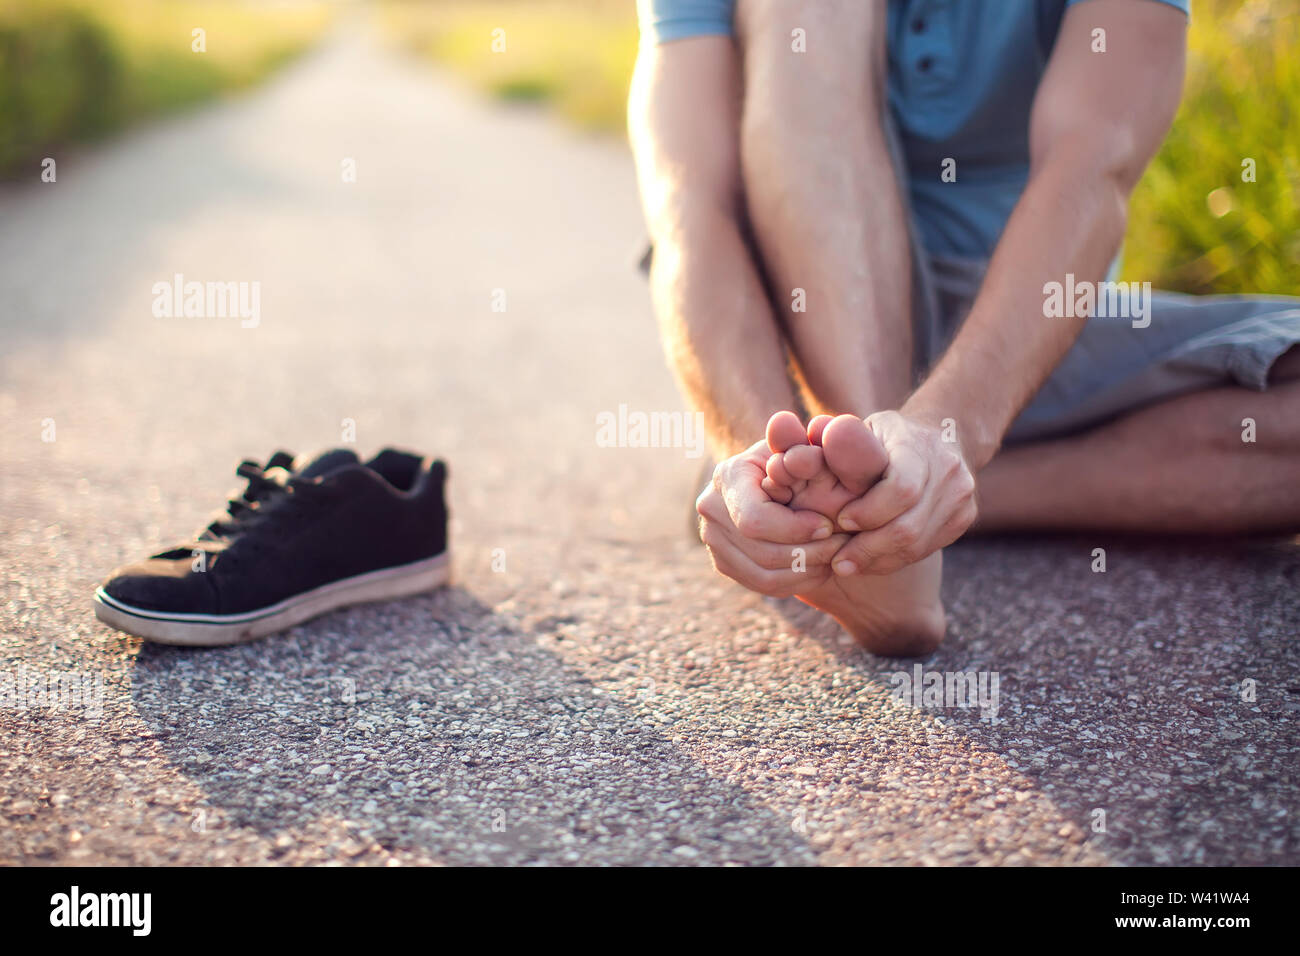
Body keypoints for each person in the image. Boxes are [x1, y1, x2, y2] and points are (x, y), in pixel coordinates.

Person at [628, 0, 1300, 655]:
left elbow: (1091, 172)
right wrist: (748, 440)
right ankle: (862, 497)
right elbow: (691, 212)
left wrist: (941, 433)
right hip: (808, 319)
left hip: (1021, 328)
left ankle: (879, 507)